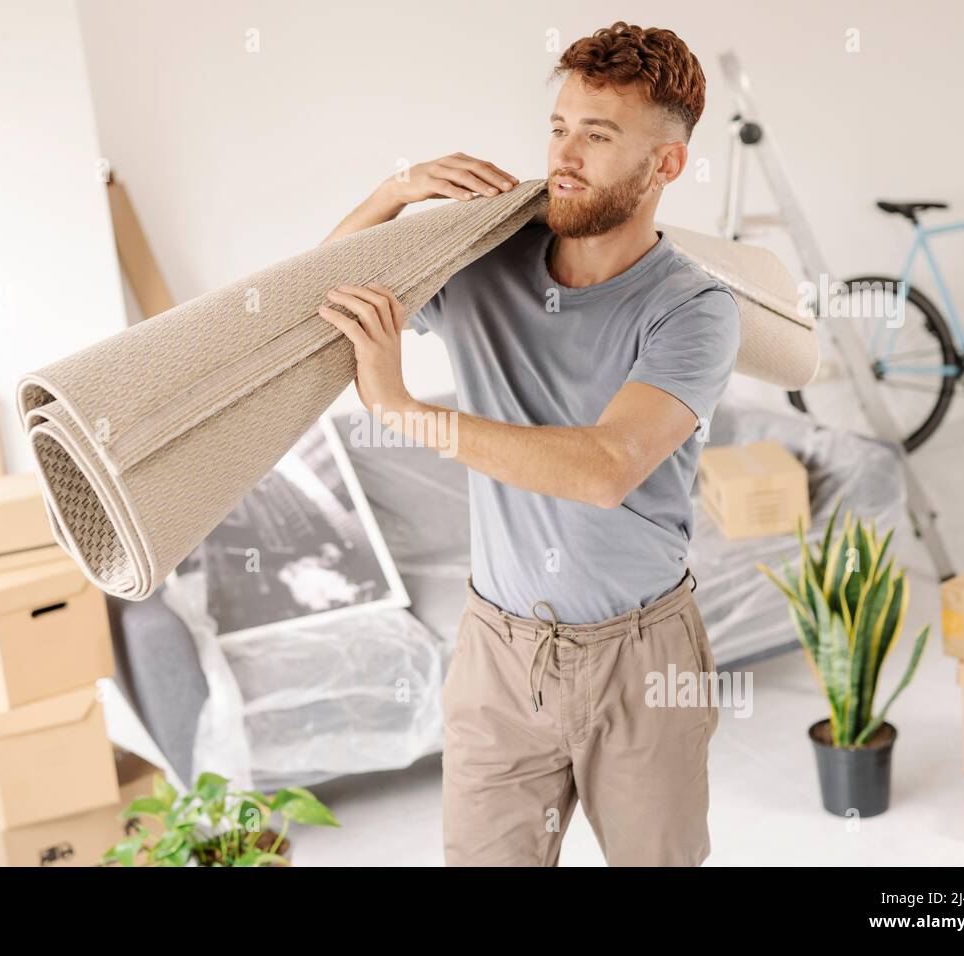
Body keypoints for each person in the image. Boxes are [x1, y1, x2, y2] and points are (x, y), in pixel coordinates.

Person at [316, 21, 740, 867]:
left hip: (644, 658)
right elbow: (320, 306)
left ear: (665, 165)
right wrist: (393, 194)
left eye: (597, 134)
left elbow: (605, 468)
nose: (564, 155)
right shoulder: (480, 259)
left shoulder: (693, 309)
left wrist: (403, 409)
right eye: (558, 127)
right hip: (497, 656)